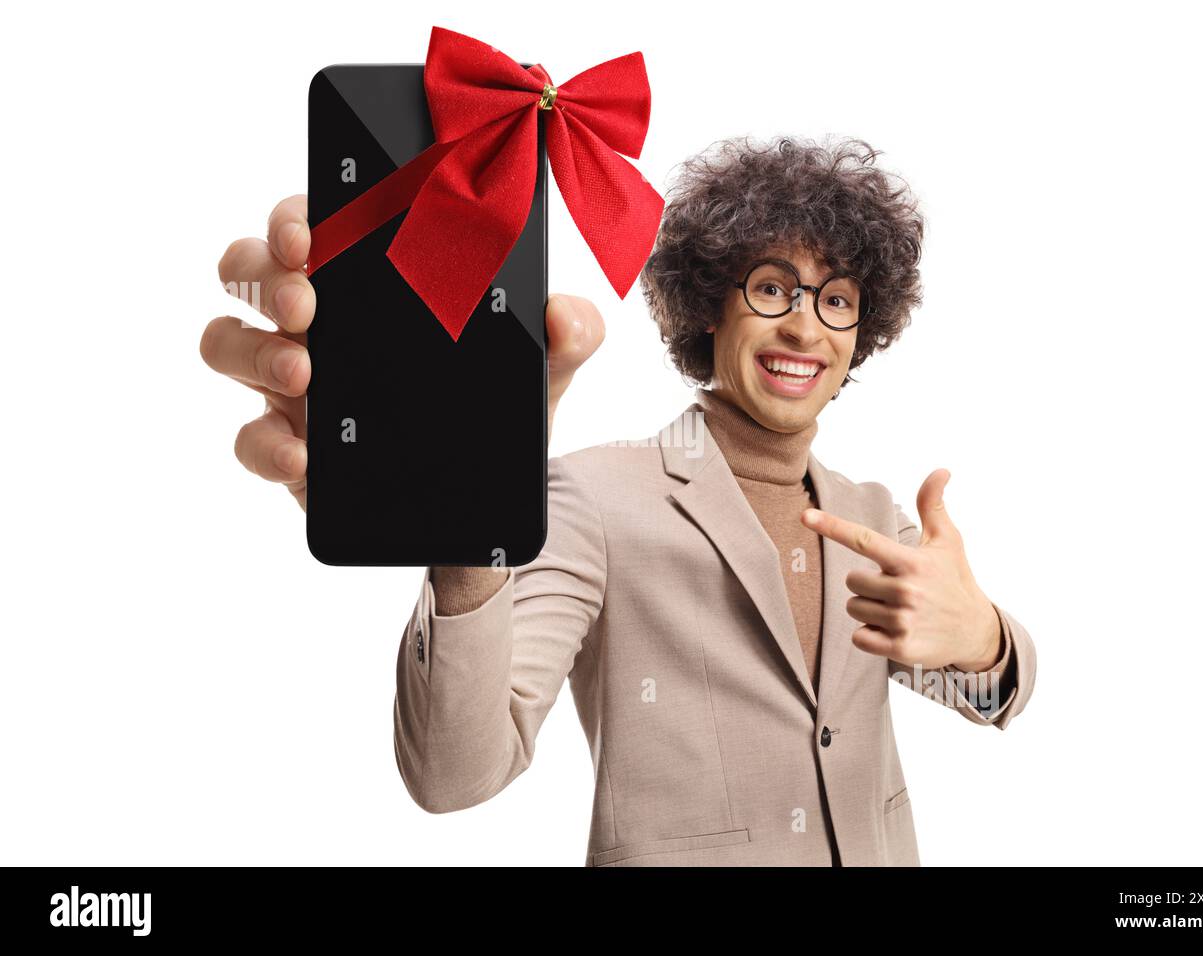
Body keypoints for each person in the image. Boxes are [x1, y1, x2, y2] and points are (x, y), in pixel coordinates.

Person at [201, 135, 1037, 866]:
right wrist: (469, 521)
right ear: (709, 307)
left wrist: (982, 640)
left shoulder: (875, 517)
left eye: (837, 300)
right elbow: (452, 774)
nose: (805, 328)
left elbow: (987, 695)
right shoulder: (594, 499)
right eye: (772, 289)